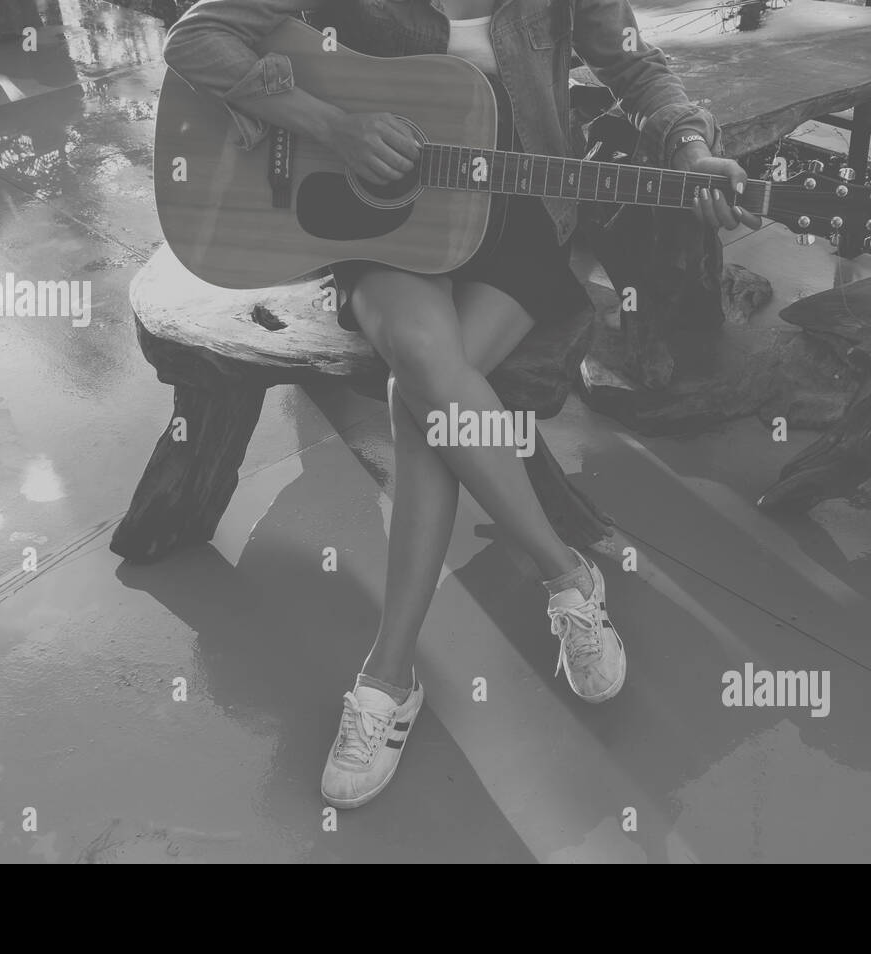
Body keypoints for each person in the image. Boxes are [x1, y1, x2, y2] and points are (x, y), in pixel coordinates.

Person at [163, 0, 760, 809]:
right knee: (424, 360)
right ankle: (566, 577)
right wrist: (330, 125)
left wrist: (689, 146)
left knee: (424, 392)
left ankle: (388, 674)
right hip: (380, 222)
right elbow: (196, 38)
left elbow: (631, 62)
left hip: (520, 217)